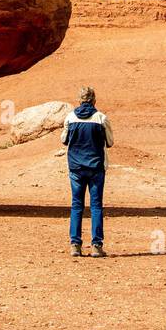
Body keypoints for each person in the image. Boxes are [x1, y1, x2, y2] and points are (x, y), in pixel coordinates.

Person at [62, 86, 113, 257]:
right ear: (94, 100)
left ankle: (75, 245)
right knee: (96, 206)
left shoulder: (70, 117)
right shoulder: (101, 118)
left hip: (76, 167)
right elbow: (110, 142)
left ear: (80, 100)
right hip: (96, 167)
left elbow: (64, 140)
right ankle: (96, 246)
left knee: (77, 205)